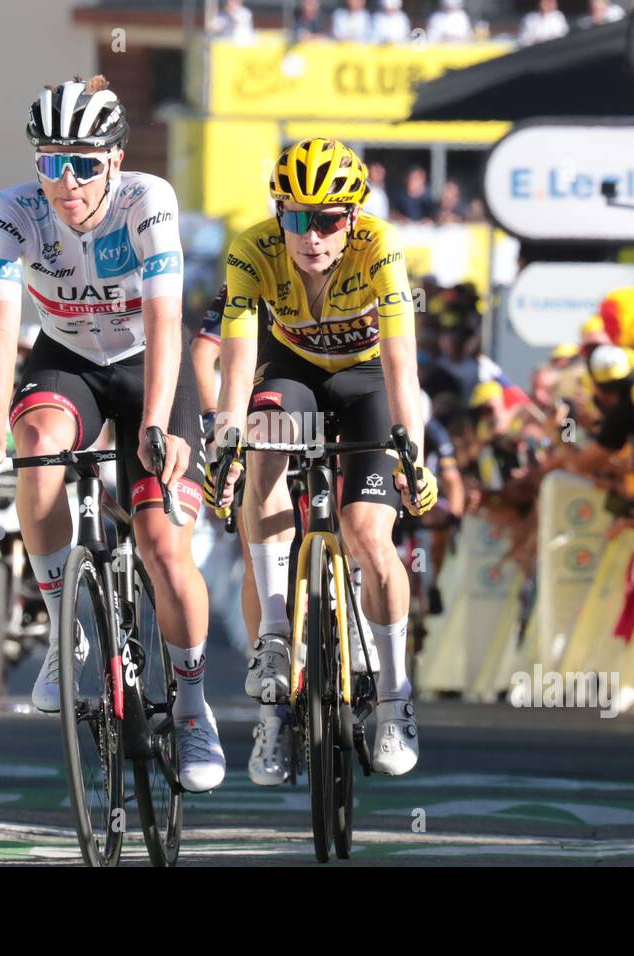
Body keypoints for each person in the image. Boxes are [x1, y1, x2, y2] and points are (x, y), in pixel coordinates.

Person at [0, 76, 224, 793]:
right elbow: (0, 328)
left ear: (114, 160)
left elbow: (165, 320)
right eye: (51, 162)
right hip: (68, 357)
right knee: (35, 445)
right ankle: (61, 631)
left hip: (149, 364)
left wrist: (159, 424)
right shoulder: (12, 210)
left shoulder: (147, 200)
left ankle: (193, 709)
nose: (66, 181)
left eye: (82, 164)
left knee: (164, 547)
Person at [206, 137, 439, 781]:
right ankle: (275, 645)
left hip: (366, 379)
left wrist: (412, 452)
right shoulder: (251, 249)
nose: (310, 235)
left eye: (328, 220)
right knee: (264, 441)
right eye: (296, 217)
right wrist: (227, 438)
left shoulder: (380, 246)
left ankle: (393, 697)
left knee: (368, 535)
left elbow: (401, 363)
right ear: (278, 214)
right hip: (294, 370)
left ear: (353, 217)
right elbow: (237, 358)